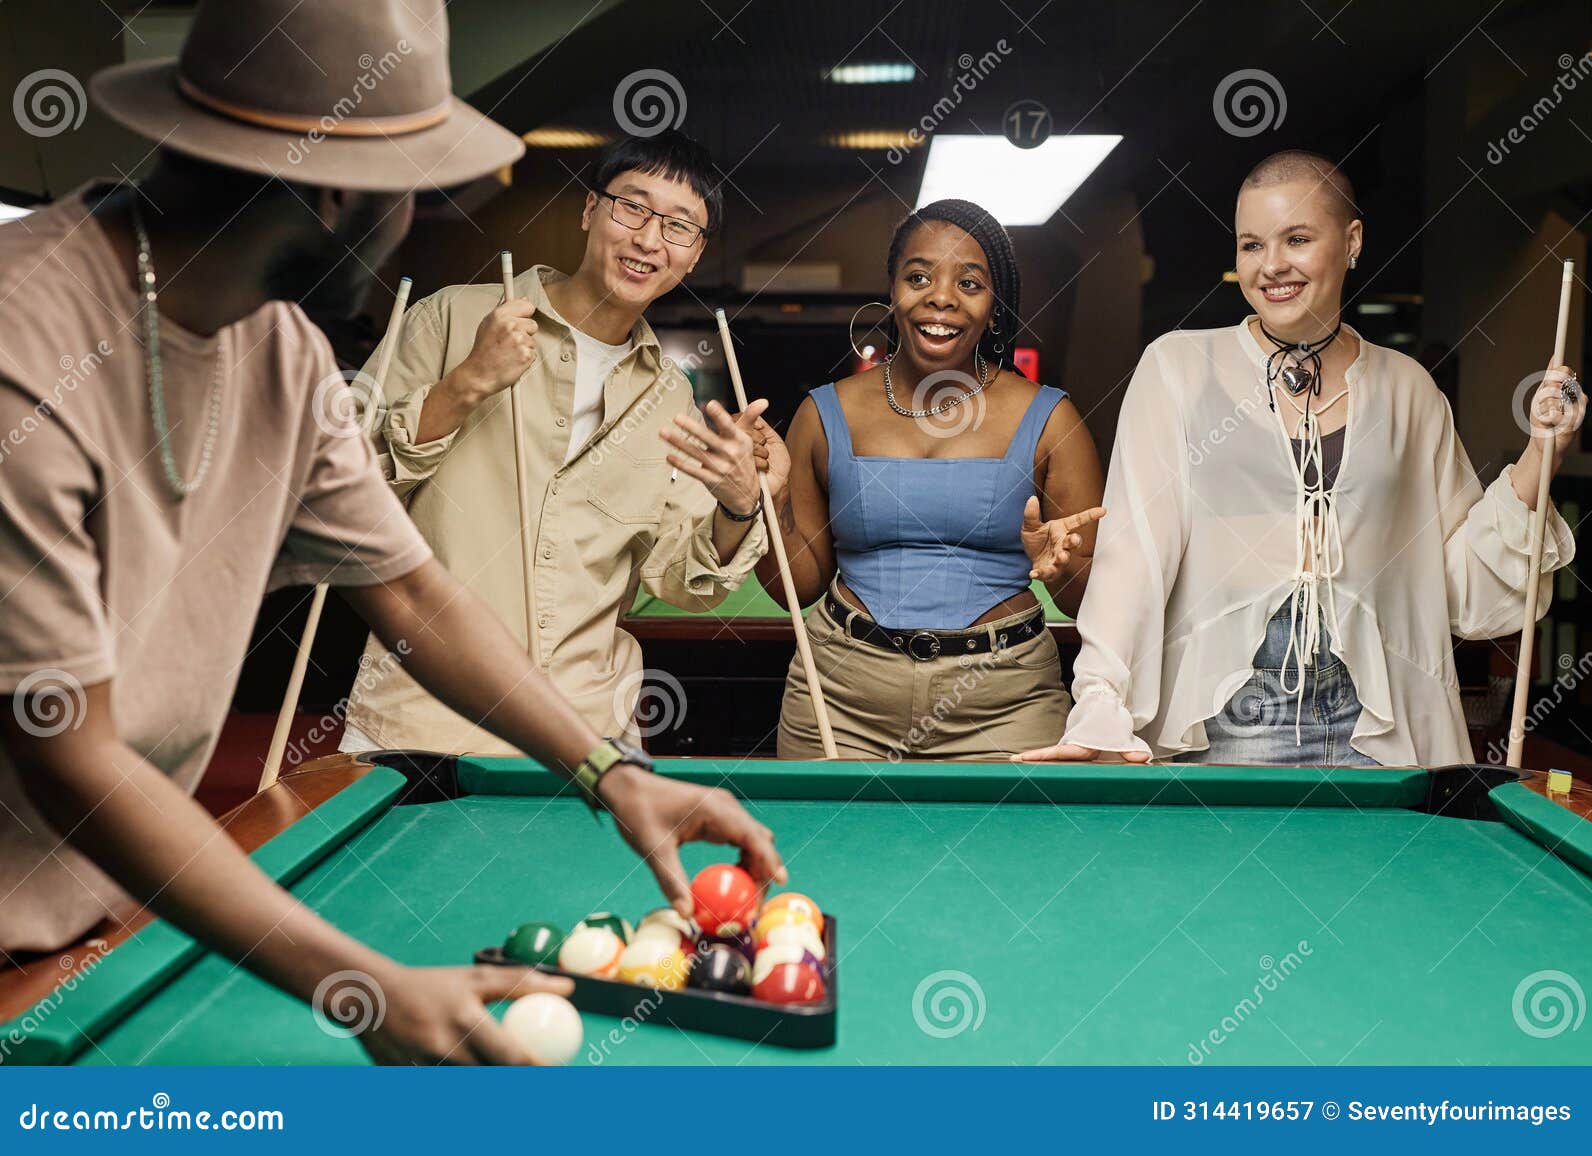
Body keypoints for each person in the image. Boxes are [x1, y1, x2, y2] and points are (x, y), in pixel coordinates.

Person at [0, 0, 782, 1066]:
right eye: (413, 191)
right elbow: (71, 754)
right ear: (335, 193)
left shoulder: (282, 354)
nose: (418, 220)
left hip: (108, 915)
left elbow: (412, 595)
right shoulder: (23, 345)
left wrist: (612, 774)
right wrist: (361, 987)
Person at [1019, 151, 1583, 767]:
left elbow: (1463, 589)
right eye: (1252, 245)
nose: (1272, 266)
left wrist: (1540, 452)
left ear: (1352, 242)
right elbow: (1136, 557)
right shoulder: (1179, 368)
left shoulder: (1408, 389)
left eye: (1297, 239)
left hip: (1377, 723)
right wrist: (1100, 698)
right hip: (1230, 715)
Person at [339, 131, 768, 755]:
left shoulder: (671, 398)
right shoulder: (451, 319)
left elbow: (679, 579)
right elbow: (342, 491)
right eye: (633, 207)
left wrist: (737, 503)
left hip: (589, 733)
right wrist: (464, 387)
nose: (649, 239)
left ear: (695, 255)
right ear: (590, 210)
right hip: (424, 718)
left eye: (679, 226)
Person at [753, 199, 1106, 760]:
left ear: (994, 309)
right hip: (842, 698)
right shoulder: (823, 413)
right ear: (892, 292)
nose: (941, 296)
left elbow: (1088, 602)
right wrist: (769, 506)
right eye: (918, 276)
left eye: (970, 282)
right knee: (829, 850)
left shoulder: (1050, 418)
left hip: (1005, 702)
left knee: (1007, 851)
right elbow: (795, 590)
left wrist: (1062, 570)